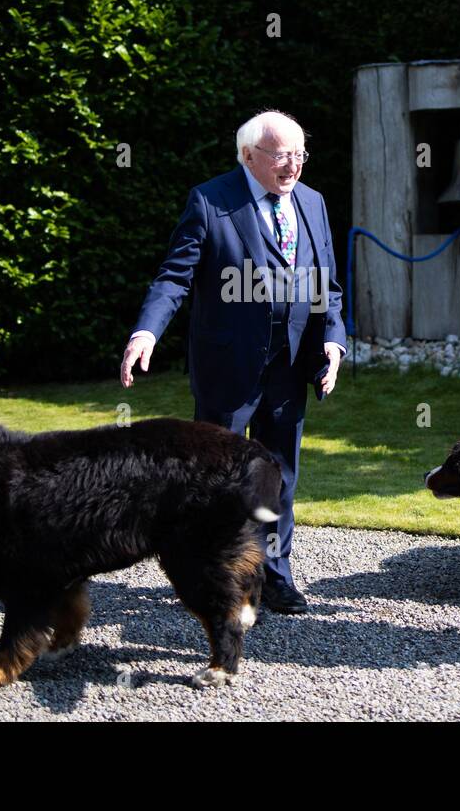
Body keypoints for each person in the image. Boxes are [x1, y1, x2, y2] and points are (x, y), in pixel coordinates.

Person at [120, 110, 346, 615]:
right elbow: (174, 277)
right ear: (248, 156)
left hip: (290, 364)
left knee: (280, 473)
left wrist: (333, 341)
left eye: (300, 154)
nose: (294, 165)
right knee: (214, 475)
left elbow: (326, 289)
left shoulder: (313, 202)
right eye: (282, 155)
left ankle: (274, 573)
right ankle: (209, 572)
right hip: (227, 366)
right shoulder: (210, 199)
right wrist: (147, 331)